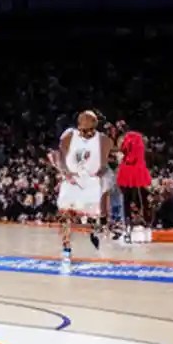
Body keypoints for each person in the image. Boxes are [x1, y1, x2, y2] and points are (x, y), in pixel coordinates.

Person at [51, 111, 113, 270]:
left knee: (93, 217)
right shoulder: (69, 136)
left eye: (91, 129)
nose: (88, 133)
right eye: (85, 129)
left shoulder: (103, 139)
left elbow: (105, 161)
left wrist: (102, 170)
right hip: (72, 180)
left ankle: (96, 237)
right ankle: (66, 249)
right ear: (79, 126)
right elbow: (56, 154)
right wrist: (65, 172)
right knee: (65, 214)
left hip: (91, 181)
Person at [115, 120, 151, 241]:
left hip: (128, 170)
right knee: (141, 197)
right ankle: (145, 224)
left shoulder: (125, 138)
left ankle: (127, 225)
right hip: (139, 169)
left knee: (126, 199)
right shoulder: (141, 138)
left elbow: (122, 152)